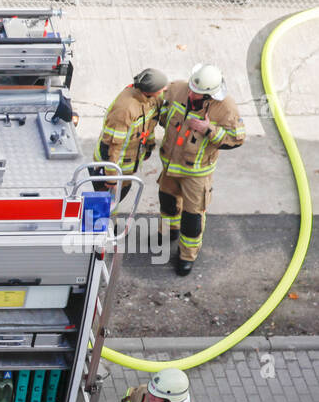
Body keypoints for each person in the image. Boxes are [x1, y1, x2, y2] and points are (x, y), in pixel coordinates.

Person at [155, 64, 246, 276]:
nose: (191, 93)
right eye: (191, 87)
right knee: (167, 201)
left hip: (196, 174)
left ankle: (187, 256)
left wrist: (209, 130)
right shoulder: (178, 88)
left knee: (192, 218)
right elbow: (158, 103)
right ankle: (169, 230)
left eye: (197, 92)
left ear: (210, 94)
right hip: (170, 164)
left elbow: (237, 138)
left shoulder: (226, 107)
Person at [91, 67, 167, 201]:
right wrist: (111, 178)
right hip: (110, 170)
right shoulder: (124, 109)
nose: (164, 90)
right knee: (105, 205)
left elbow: (150, 124)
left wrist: (148, 146)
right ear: (151, 90)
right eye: (162, 88)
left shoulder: (151, 100)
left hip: (127, 168)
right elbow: (111, 147)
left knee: (116, 200)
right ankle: (104, 221)